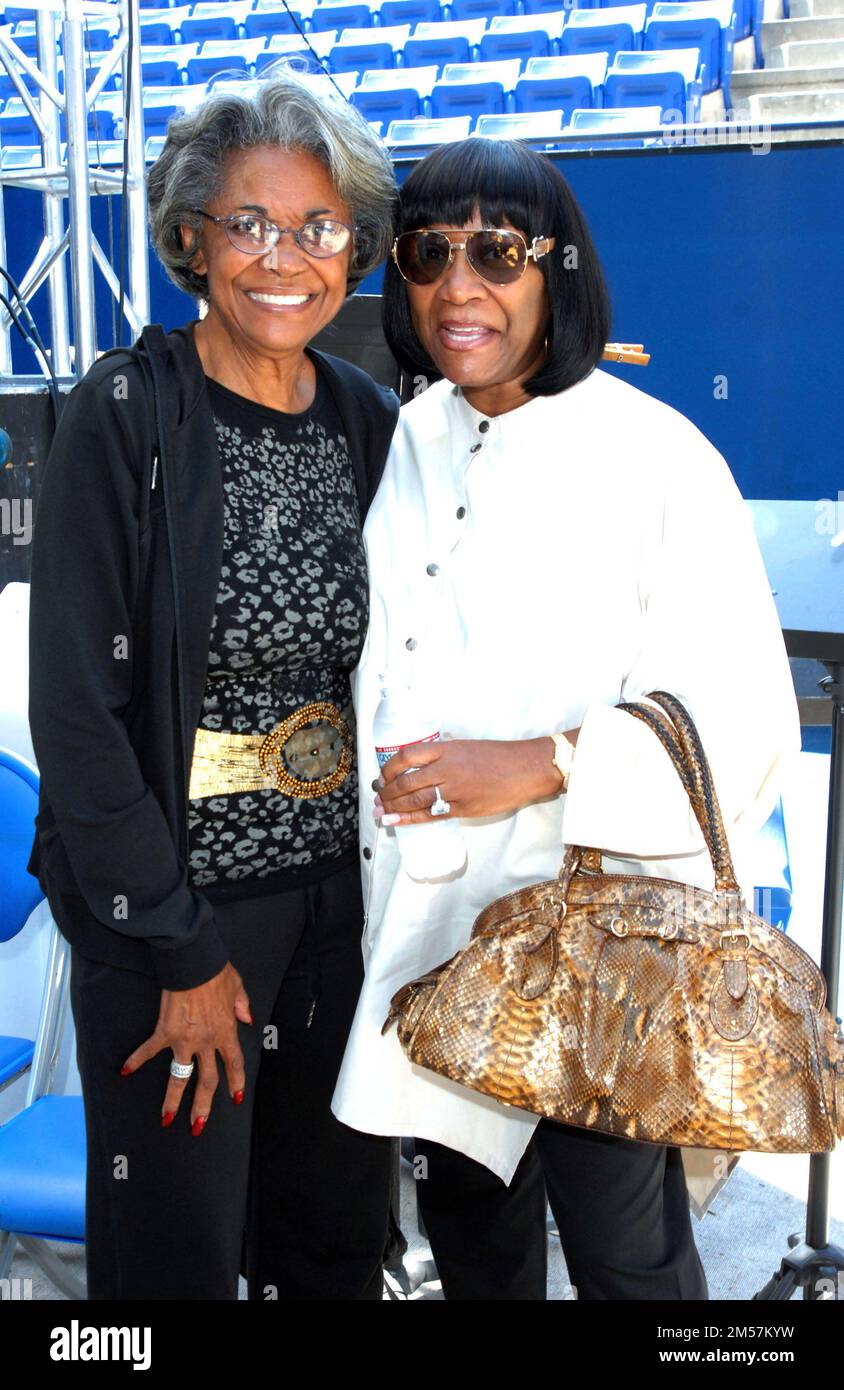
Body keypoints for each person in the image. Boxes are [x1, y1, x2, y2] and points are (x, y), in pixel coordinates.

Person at [331, 138, 802, 1301]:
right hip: (438, 930)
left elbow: (741, 713)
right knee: (475, 1243)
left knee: (625, 1259)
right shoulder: (415, 439)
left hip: (597, 935)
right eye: (429, 252)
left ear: (560, 270)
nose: (458, 285)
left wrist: (538, 764)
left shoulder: (654, 452)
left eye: (498, 250)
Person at [26, 71, 400, 1300]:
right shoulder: (122, 415)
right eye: (248, 223)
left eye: (317, 226)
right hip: (172, 914)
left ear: (355, 244)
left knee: (331, 1242)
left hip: (334, 912)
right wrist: (181, 955)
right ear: (192, 237)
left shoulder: (367, 419)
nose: (282, 257)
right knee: (174, 1260)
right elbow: (76, 714)